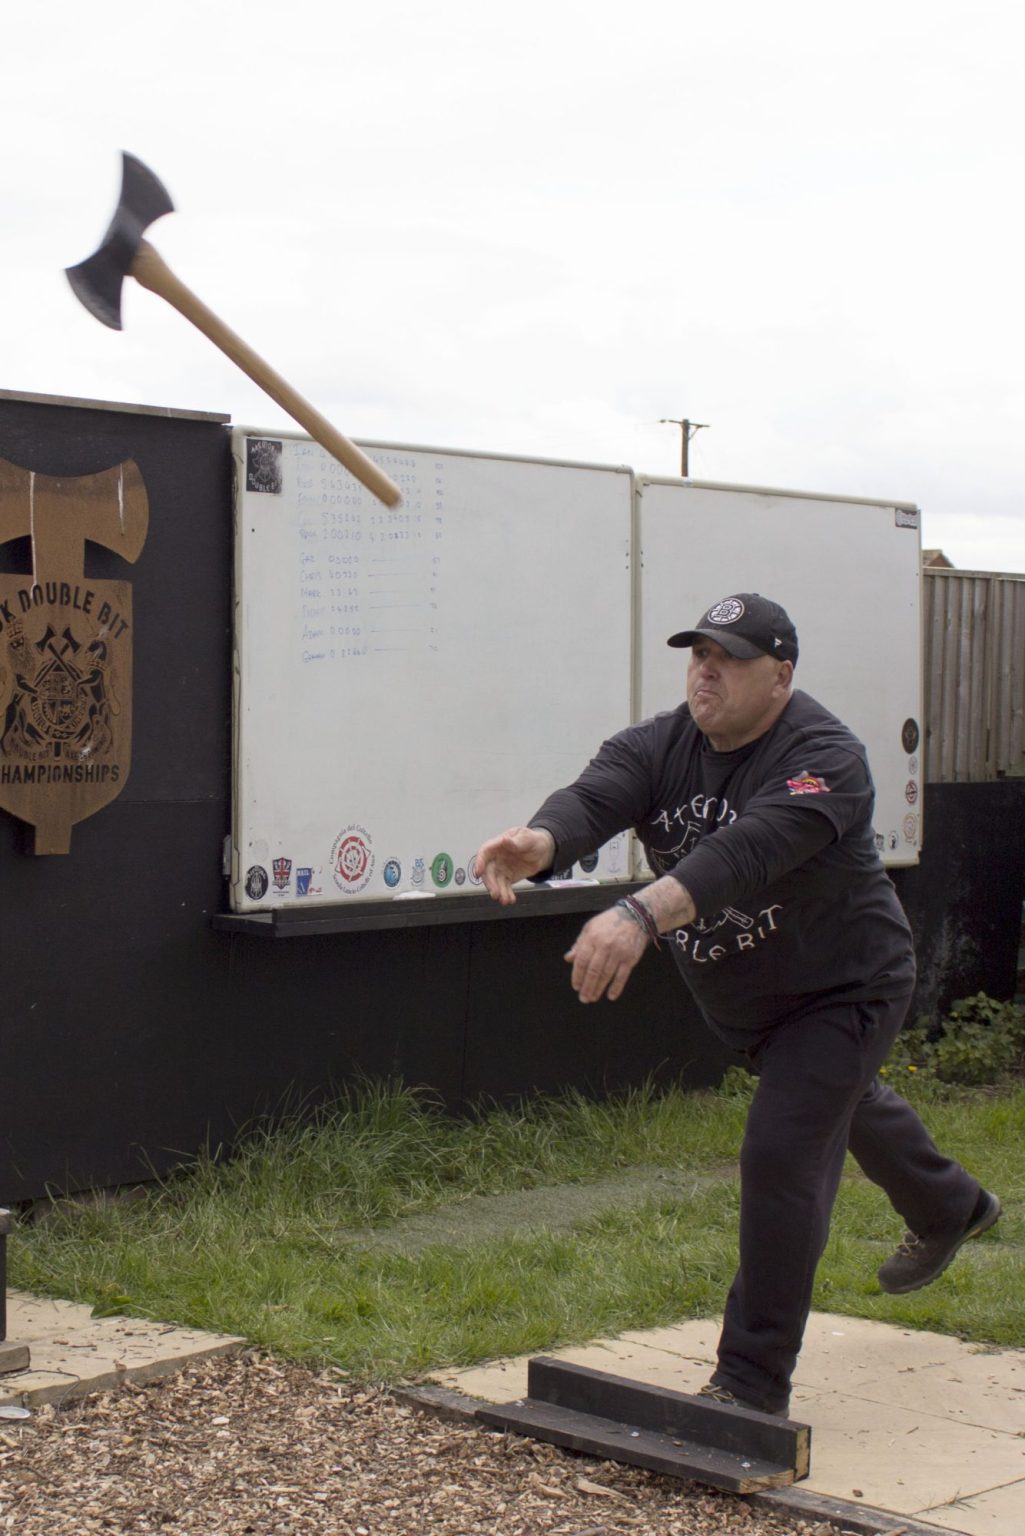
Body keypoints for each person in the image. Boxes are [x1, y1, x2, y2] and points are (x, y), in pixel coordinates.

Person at [475, 592, 1000, 1418]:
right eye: (697, 655)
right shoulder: (662, 742)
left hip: (845, 988)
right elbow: (597, 794)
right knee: (839, 1100)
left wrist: (639, 913)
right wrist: (542, 841)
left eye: (727, 658)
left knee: (783, 1151)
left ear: (780, 676)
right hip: (754, 1006)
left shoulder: (823, 756)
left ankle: (750, 1387)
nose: (704, 672)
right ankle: (950, 1205)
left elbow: (743, 854)